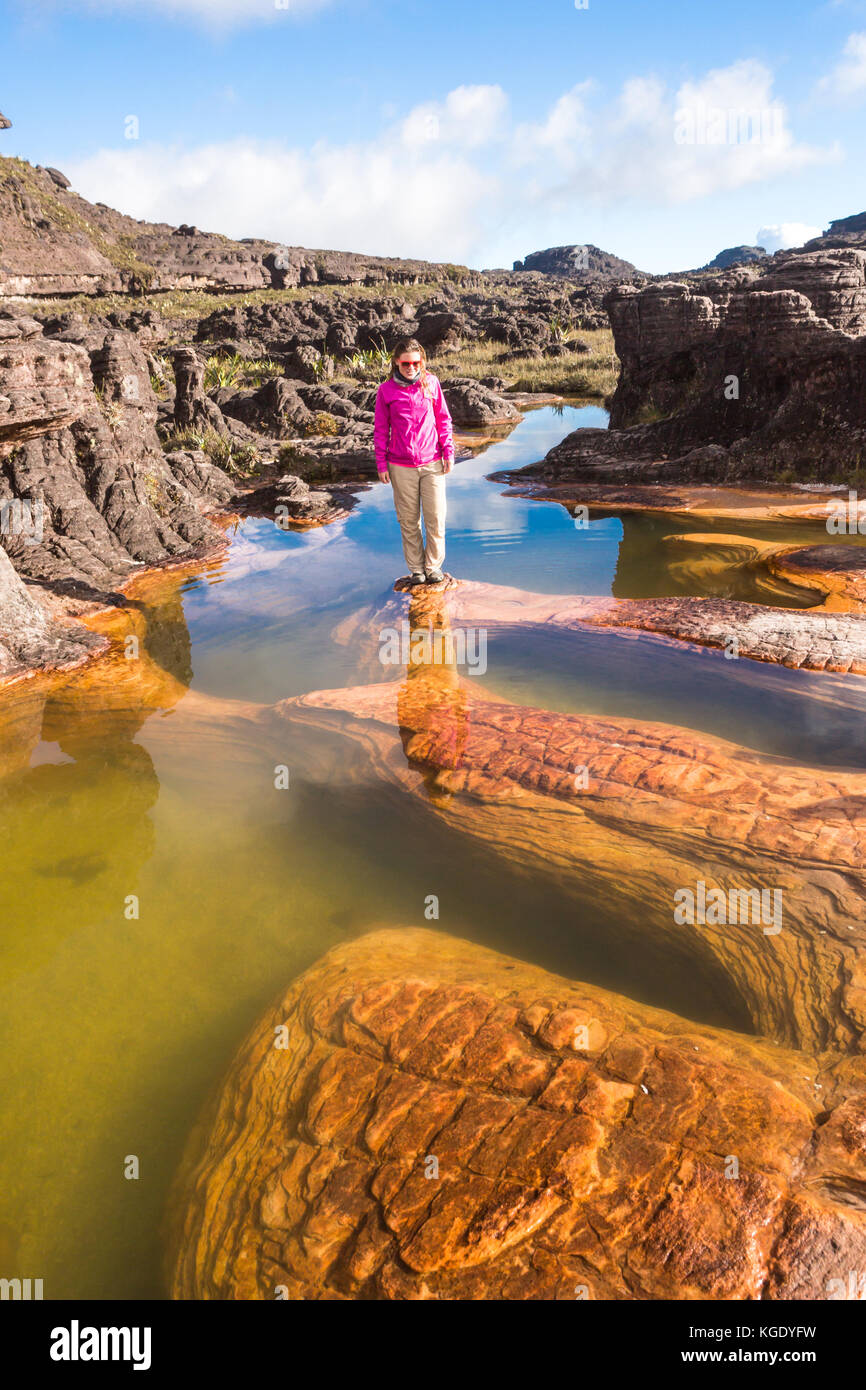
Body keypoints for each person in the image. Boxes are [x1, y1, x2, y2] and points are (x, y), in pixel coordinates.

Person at [374, 337, 454, 584]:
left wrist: (448, 451)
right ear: (397, 362)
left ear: (422, 361)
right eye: (405, 363)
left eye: (415, 363)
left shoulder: (431, 383)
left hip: (432, 463)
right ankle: (417, 571)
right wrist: (381, 463)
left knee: (436, 517)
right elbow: (380, 429)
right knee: (409, 521)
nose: (411, 368)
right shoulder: (386, 391)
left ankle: (433, 568)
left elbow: (443, 420)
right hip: (400, 466)